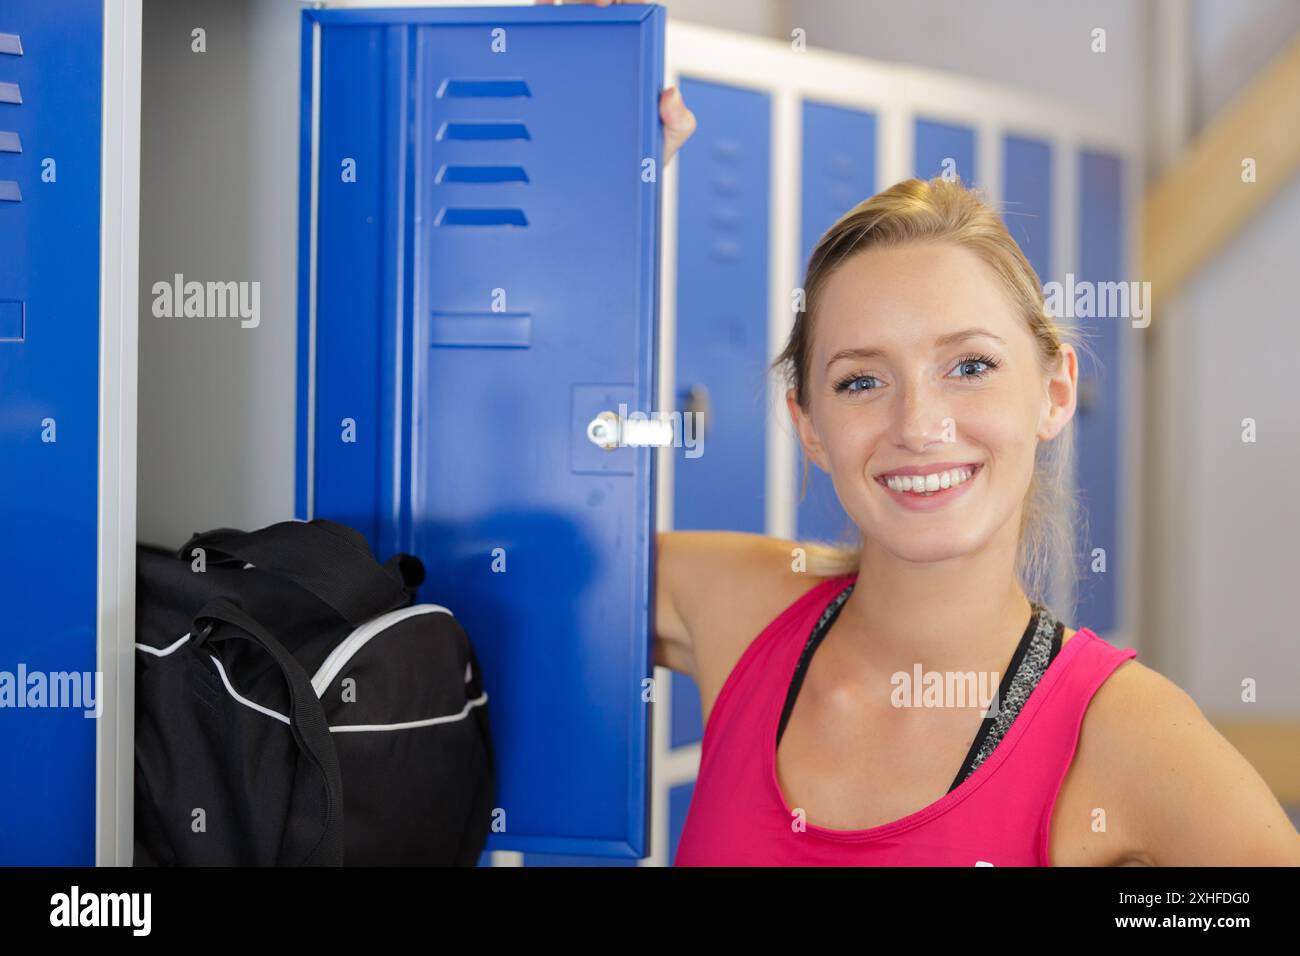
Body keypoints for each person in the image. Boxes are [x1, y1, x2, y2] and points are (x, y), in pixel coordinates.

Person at [551, 0, 1300, 866]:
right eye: (861, 381)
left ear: (1055, 391)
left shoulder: (1123, 734)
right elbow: (493, 539)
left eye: (971, 365)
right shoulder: (738, 610)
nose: (920, 424)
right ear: (809, 426)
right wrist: (599, 187)